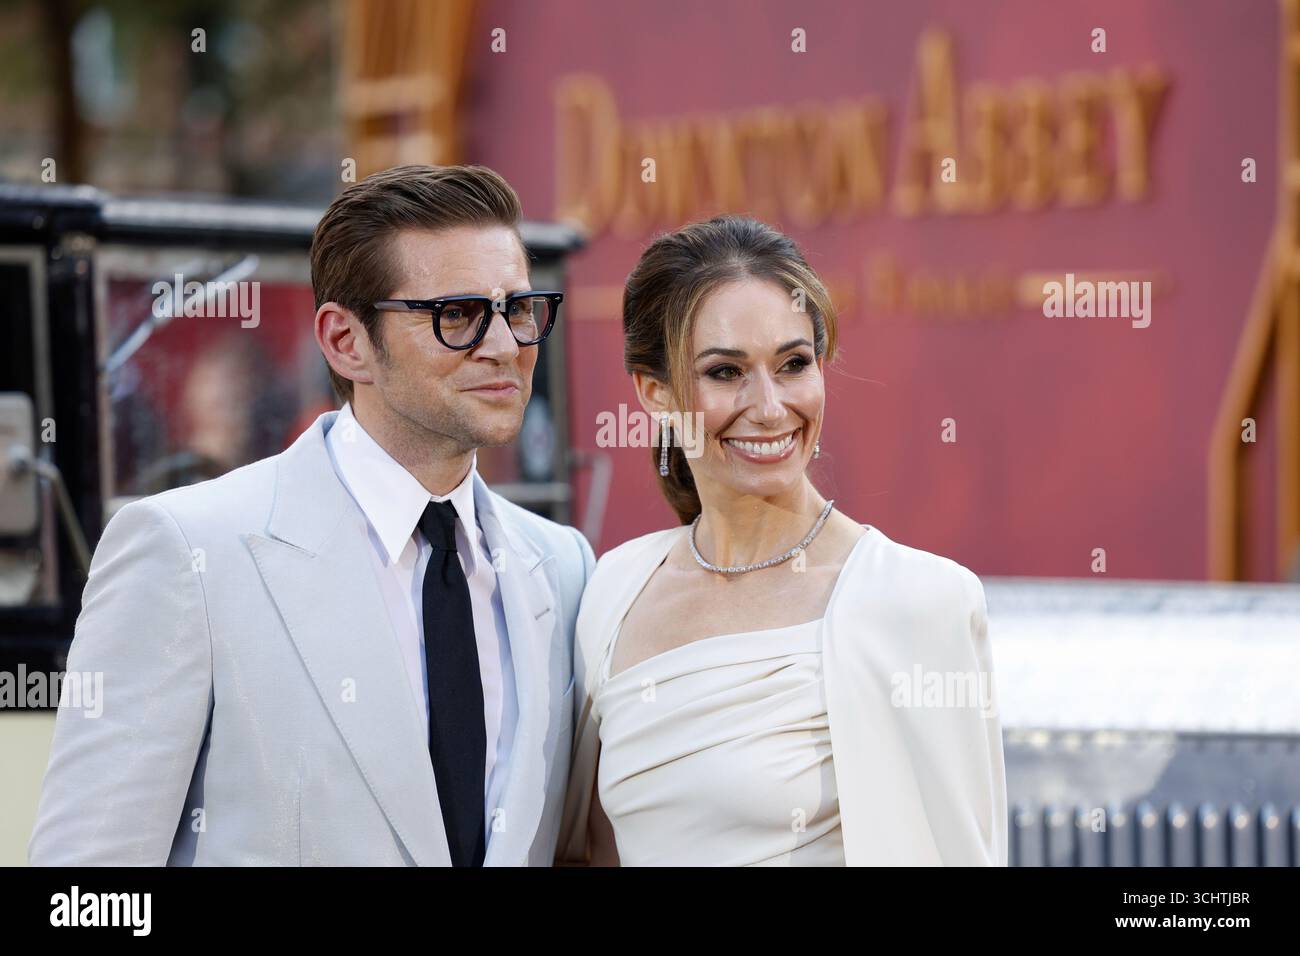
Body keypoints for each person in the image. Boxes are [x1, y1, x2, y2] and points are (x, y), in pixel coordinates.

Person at [29, 164, 593, 866]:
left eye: (517, 308)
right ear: (345, 341)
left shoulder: (563, 566)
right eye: (456, 315)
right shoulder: (187, 553)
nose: (506, 345)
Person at [556, 215, 1007, 866]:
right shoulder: (616, 589)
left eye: (793, 364)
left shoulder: (919, 601)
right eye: (724, 372)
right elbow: (591, 851)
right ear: (654, 393)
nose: (769, 407)